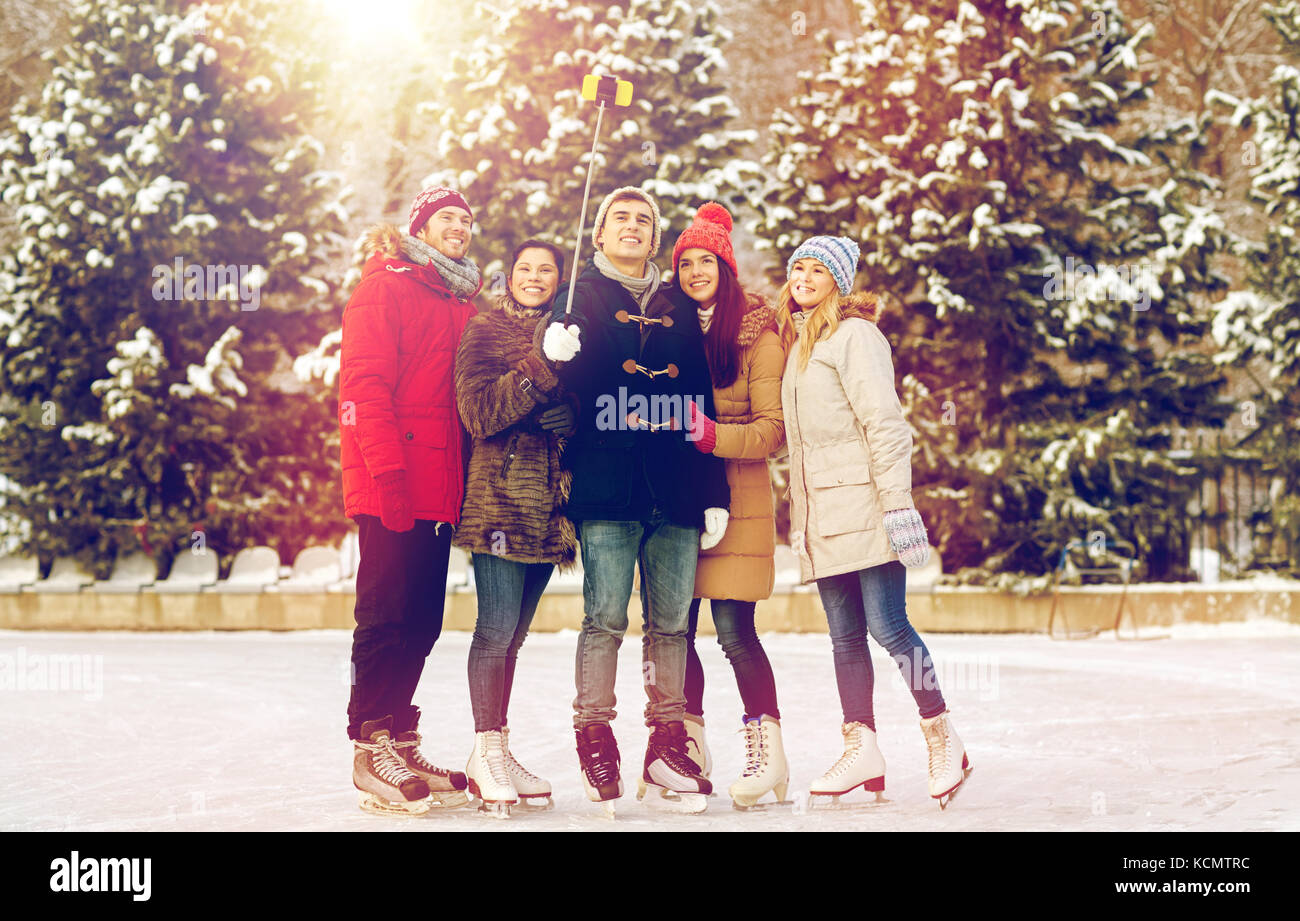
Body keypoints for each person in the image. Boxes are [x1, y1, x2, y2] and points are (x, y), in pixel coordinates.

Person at [541, 187, 730, 813]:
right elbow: (562, 385)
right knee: (605, 619)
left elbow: (699, 396)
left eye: (643, 220)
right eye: (619, 217)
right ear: (599, 235)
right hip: (609, 484)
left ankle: (667, 741)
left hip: (674, 485)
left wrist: (713, 490)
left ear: (655, 238)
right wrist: (556, 347)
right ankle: (594, 732)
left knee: (673, 623)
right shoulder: (578, 299)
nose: (632, 226)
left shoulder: (678, 304)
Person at [776, 235, 971, 809]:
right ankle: (861, 747)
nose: (804, 278)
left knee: (889, 628)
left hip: (866, 507)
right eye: (797, 268)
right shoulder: (799, 346)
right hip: (823, 514)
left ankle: (942, 734)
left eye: (817, 269)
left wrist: (896, 503)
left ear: (839, 280)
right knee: (844, 638)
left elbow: (884, 424)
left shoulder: (855, 336)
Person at [338, 186, 481, 816]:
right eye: (448, 217)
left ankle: (400, 733)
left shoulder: (461, 300)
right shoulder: (386, 285)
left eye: (467, 220)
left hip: (439, 489)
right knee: (384, 612)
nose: (460, 227)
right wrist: (388, 475)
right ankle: (371, 746)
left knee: (424, 617)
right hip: (391, 481)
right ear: (421, 226)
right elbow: (363, 388)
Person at [669, 202, 790, 810]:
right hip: (680, 502)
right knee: (677, 629)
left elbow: (773, 430)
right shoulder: (667, 331)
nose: (695, 272)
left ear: (725, 265)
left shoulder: (756, 333)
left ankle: (766, 748)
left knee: (734, 631)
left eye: (705, 260)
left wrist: (714, 436)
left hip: (739, 504)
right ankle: (686, 744)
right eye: (685, 262)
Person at [453, 239, 577, 816]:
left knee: (516, 639)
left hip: (550, 511)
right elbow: (478, 414)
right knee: (494, 632)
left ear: (559, 279)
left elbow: (589, 410)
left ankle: (498, 745)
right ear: (510, 277)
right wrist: (538, 366)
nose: (534, 277)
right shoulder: (482, 331)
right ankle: (485, 751)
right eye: (525, 269)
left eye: (545, 270)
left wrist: (571, 415)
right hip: (499, 502)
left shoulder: (574, 333)